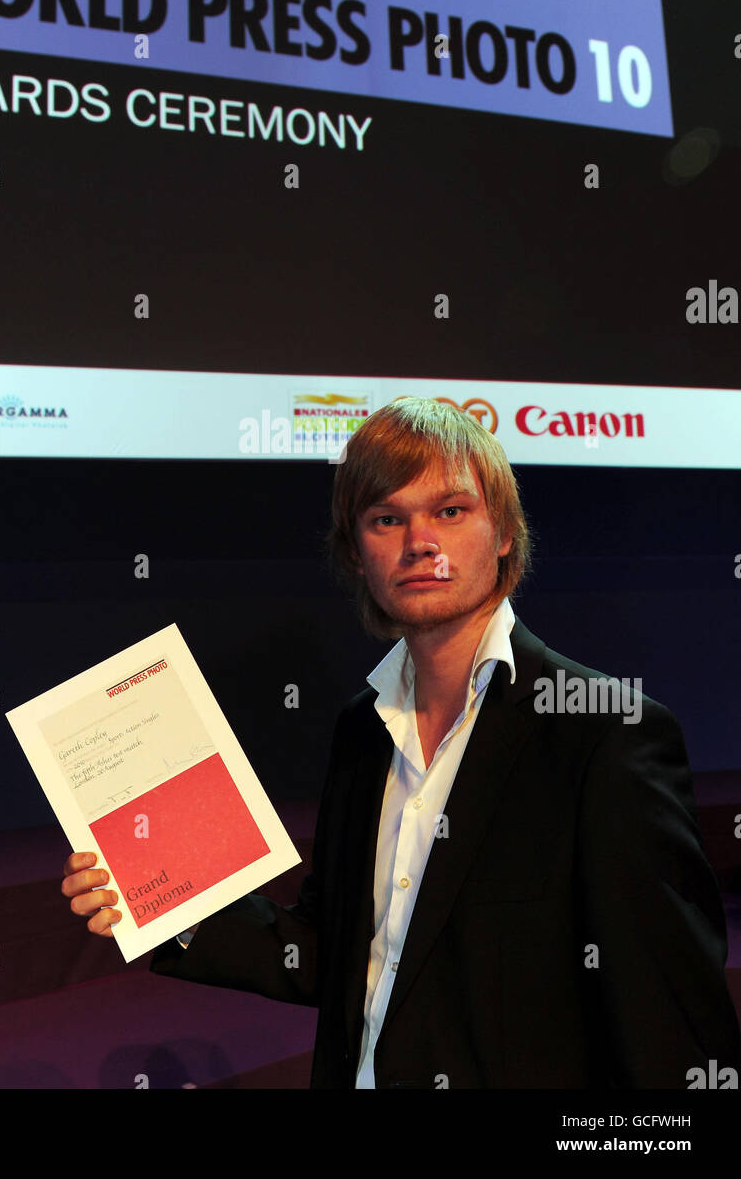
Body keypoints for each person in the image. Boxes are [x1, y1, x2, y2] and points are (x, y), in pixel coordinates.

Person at [61, 397, 740, 1088]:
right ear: (357, 552)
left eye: (450, 511)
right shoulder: (363, 729)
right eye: (388, 518)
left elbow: (670, 1031)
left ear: (504, 532)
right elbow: (337, 955)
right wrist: (160, 901)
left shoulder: (606, 735)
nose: (420, 542)